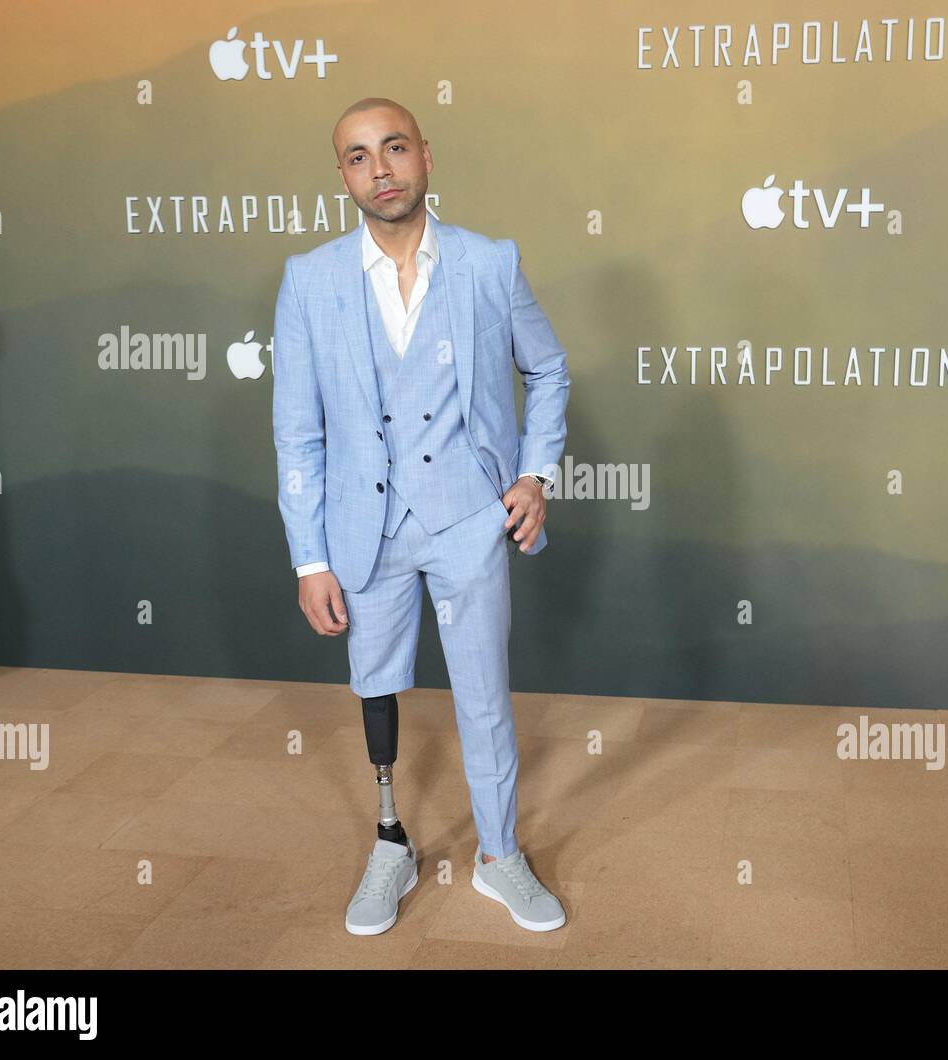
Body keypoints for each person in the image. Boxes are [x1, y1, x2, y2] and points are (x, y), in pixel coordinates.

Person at [271, 97, 570, 934]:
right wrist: (309, 560)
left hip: (470, 520)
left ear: (425, 155)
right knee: (375, 687)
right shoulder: (309, 280)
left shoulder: (488, 264)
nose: (381, 169)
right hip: (360, 533)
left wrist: (535, 472)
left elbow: (547, 372)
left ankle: (500, 856)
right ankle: (391, 842)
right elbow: (298, 432)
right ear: (343, 175)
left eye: (393, 148)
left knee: (484, 697)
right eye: (359, 156)